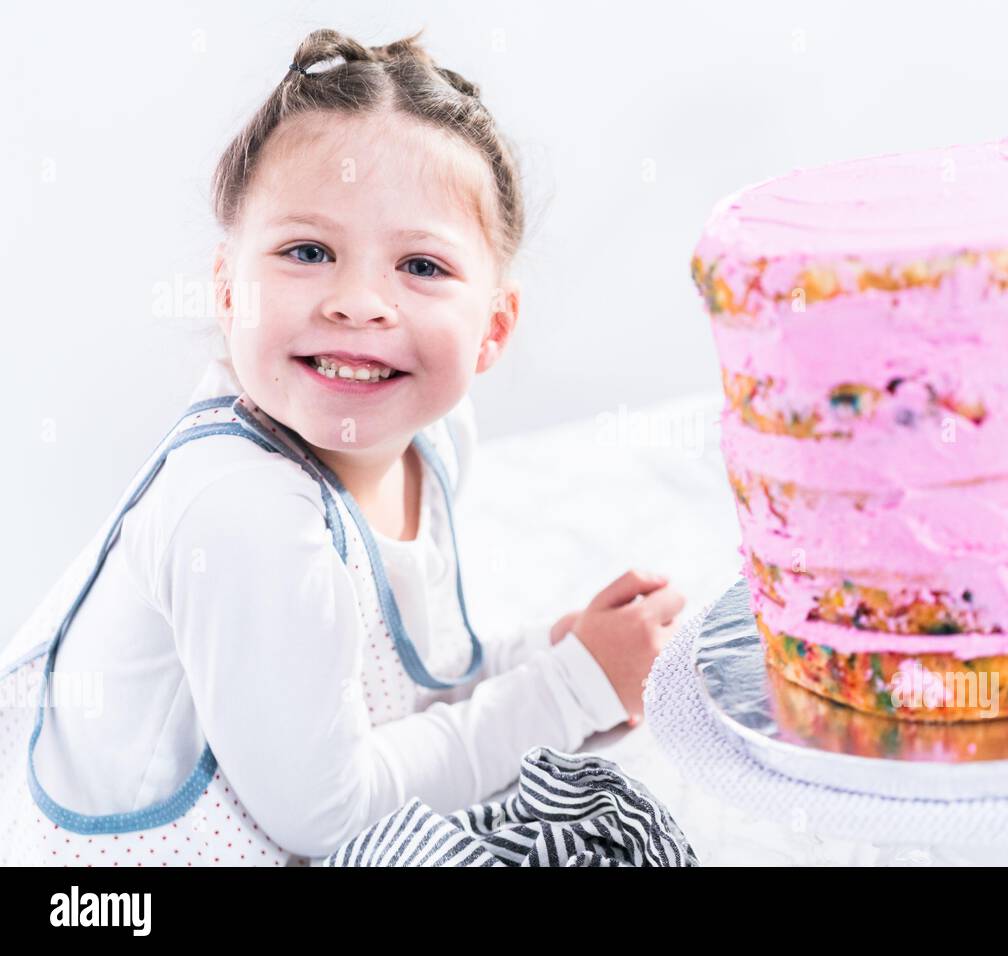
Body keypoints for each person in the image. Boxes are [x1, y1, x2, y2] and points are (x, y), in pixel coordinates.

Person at [0, 27, 685, 865]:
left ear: (493, 328)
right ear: (225, 287)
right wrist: (569, 687)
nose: (359, 302)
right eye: (308, 252)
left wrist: (547, 653)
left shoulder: (432, 440)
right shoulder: (242, 510)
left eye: (422, 267)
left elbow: (400, 685)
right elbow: (331, 816)